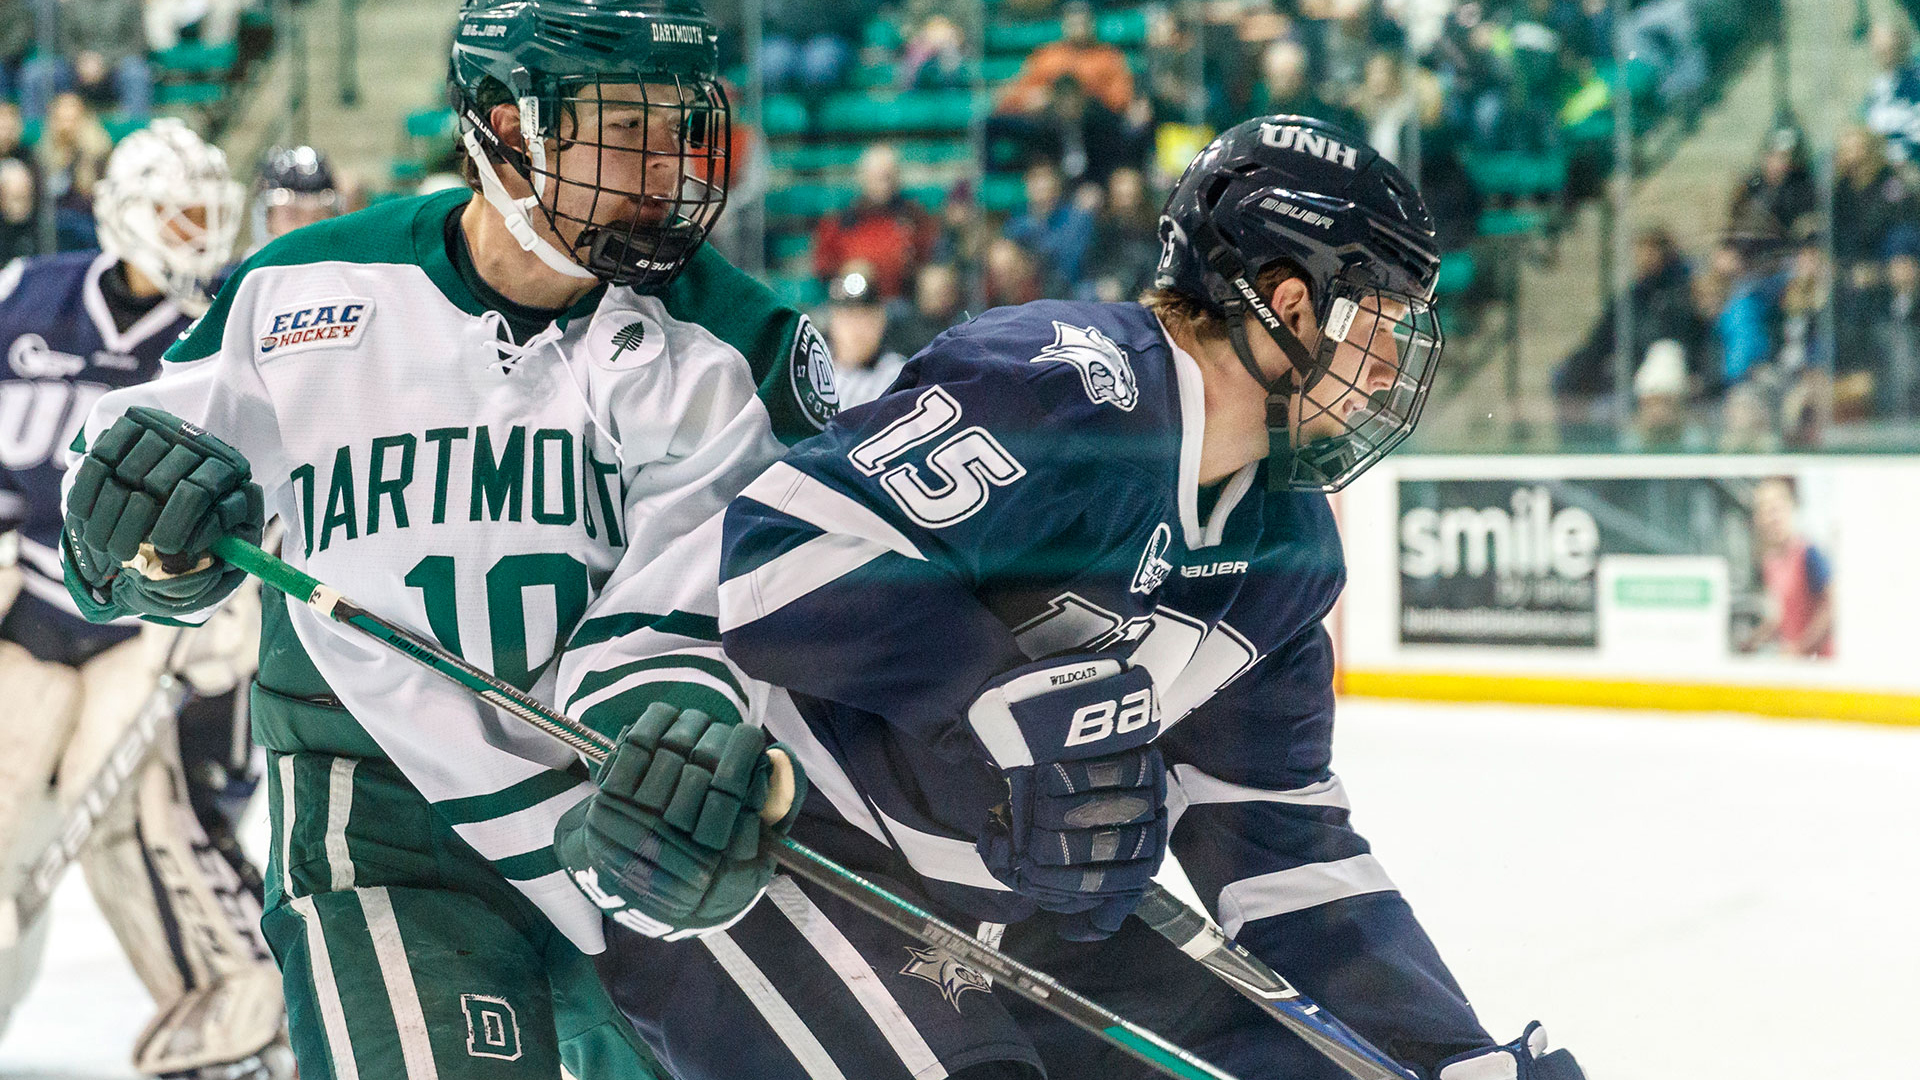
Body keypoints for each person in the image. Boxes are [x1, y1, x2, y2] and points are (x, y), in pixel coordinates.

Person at [582, 115, 1587, 1080]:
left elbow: (1281, 849)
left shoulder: (1288, 548)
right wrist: (995, 699)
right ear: (1289, 302)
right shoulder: (1065, 390)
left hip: (1027, 926)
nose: (1382, 377)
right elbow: (778, 560)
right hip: (798, 875)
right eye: (1380, 325)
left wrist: (1446, 1053)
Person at [57, 0, 830, 1076]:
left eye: (678, 126)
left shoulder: (735, 342)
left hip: (633, 833)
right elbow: (139, 531)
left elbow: (725, 619)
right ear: (505, 131)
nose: (666, 168)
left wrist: (692, 772)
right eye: (623, 128)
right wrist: (147, 540)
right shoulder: (301, 289)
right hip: (378, 819)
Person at [0, 119, 285, 1080]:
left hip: (143, 615)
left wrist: (233, 602)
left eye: (211, 210)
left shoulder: (231, 324)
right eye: (179, 212)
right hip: (25, 607)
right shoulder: (24, 298)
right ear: (124, 216)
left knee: (133, 818)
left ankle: (239, 1024)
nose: (200, 232)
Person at [1739, 477, 1833, 658]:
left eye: (1775, 508)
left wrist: (1801, 647)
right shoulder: (1770, 563)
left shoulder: (1809, 553)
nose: (1771, 517)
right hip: (1793, 667)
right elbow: (1784, 616)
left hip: (1819, 665)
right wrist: (1754, 640)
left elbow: (1832, 605)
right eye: (1764, 510)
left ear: (1790, 508)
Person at [249, 145, 343, 250]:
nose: (305, 227)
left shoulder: (349, 264)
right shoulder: (244, 266)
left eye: (317, 218)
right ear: (267, 220)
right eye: (292, 217)